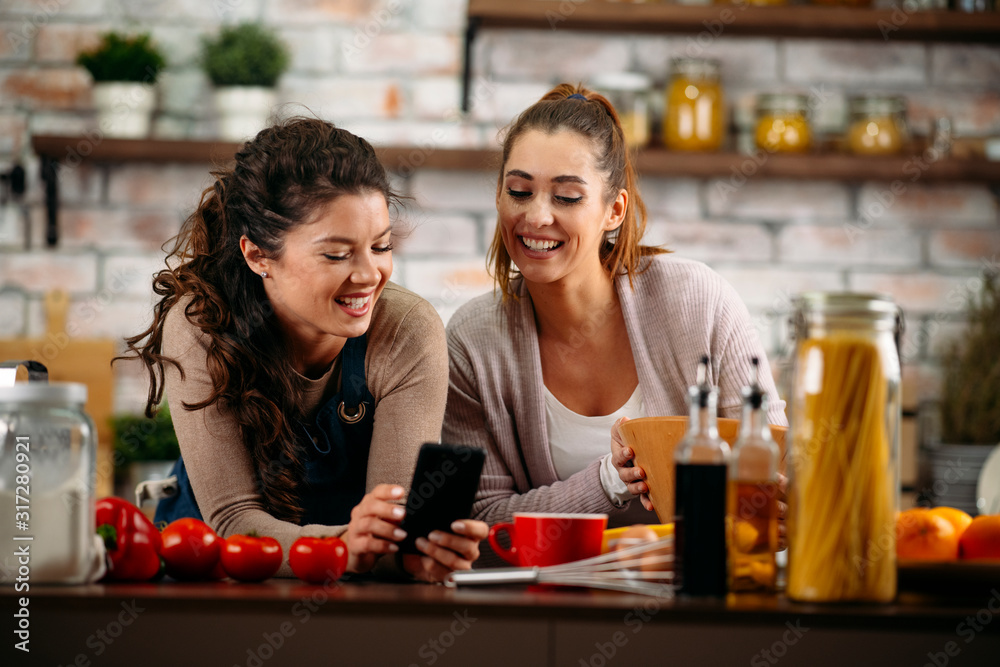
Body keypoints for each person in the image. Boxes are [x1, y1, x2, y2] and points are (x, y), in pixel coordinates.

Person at [120, 117, 487, 581]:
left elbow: (394, 528)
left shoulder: (406, 332)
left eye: (381, 246)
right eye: (336, 254)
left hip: (348, 582)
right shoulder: (202, 325)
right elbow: (235, 520)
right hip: (211, 576)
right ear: (257, 256)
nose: (369, 274)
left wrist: (415, 551)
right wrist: (342, 546)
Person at [442, 85, 787, 561]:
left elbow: (772, 464)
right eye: (519, 191)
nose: (536, 216)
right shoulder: (472, 341)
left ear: (614, 211)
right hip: (550, 608)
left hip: (701, 592)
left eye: (566, 197)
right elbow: (479, 524)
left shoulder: (697, 302)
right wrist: (608, 481)